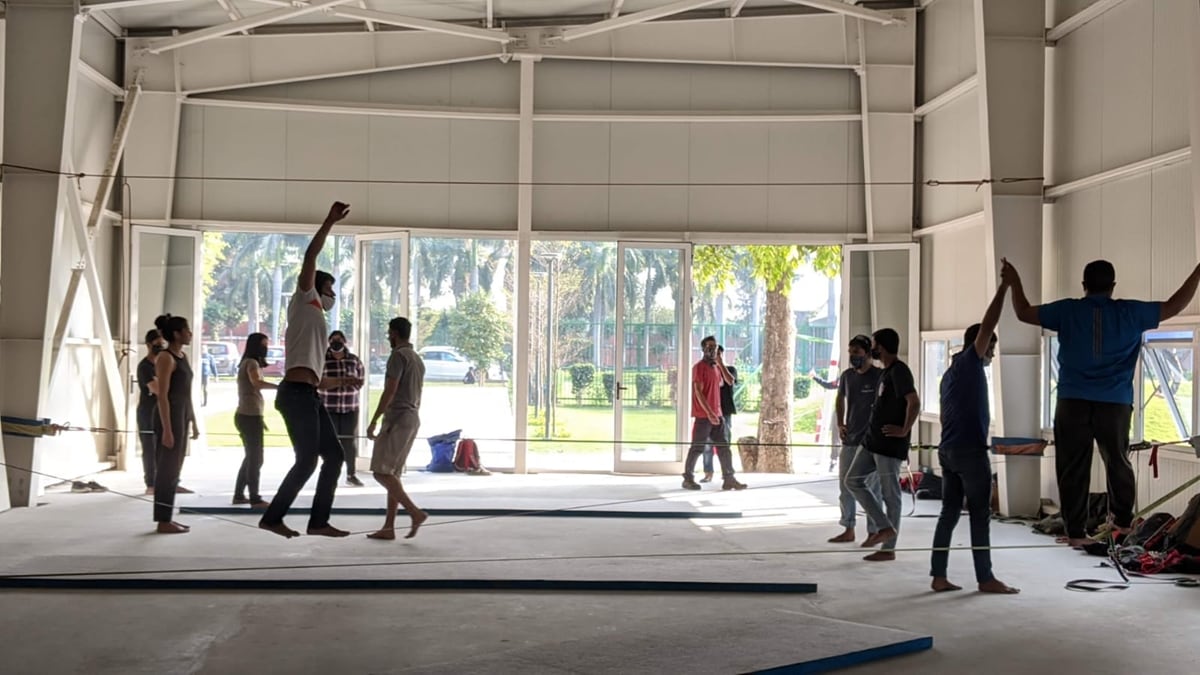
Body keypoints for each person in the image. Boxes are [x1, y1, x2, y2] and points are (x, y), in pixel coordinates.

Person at [1003, 257, 1200, 547]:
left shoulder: (1068, 310)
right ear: (1113, 286)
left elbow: (1022, 312)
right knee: (1118, 461)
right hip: (1114, 403)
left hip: (1073, 401)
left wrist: (1014, 281)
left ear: (1084, 286)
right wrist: (1197, 271)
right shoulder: (1130, 312)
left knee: (1072, 466)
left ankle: (1075, 533)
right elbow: (1174, 305)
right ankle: (1121, 522)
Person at [259, 201, 352, 539]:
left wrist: (345, 380)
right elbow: (310, 259)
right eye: (331, 288)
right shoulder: (304, 299)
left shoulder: (319, 321)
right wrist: (328, 221)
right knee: (307, 460)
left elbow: (318, 377)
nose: (333, 295)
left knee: (335, 456)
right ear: (318, 286)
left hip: (308, 394)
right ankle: (272, 517)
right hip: (295, 395)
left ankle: (318, 521)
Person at [930, 280, 1019, 594]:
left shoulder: (949, 375)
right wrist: (1004, 288)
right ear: (980, 346)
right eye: (990, 348)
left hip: (948, 450)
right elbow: (988, 323)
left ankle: (938, 576)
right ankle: (986, 579)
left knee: (949, 513)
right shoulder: (969, 364)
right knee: (980, 516)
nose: (991, 355)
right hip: (969, 453)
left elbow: (944, 416)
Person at [846, 328, 919, 561]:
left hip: (889, 444)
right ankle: (883, 525)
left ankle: (888, 547)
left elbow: (914, 402)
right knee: (852, 480)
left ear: (882, 348)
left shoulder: (899, 371)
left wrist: (904, 430)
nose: (872, 349)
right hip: (872, 441)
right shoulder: (886, 373)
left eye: (874, 345)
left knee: (891, 494)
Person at [365, 317, 428, 540]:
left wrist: (374, 419)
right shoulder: (416, 359)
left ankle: (414, 512)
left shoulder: (398, 356)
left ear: (394, 333)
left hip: (398, 419)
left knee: (381, 472)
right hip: (412, 417)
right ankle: (389, 527)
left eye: (389, 333)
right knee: (393, 474)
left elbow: (390, 391)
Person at [827, 335, 884, 544]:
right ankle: (848, 528)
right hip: (850, 440)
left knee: (872, 489)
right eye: (851, 352)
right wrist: (840, 423)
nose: (853, 356)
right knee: (846, 486)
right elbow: (840, 399)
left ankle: (874, 530)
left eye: (857, 352)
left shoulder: (879, 376)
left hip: (870, 443)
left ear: (868, 353)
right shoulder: (848, 376)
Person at [151, 314, 200, 534]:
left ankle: (167, 516)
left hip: (182, 416)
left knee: (175, 469)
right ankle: (163, 519)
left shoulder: (183, 357)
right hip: (168, 417)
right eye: (187, 329)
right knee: (166, 470)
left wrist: (194, 422)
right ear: (177, 334)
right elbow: (162, 395)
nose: (190, 333)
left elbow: (186, 394)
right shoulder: (166, 358)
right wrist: (167, 430)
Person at [682, 336, 746, 491]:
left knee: (724, 447)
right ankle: (688, 478)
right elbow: (698, 391)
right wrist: (709, 412)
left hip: (718, 415)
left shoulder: (717, 367)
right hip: (704, 416)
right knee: (697, 447)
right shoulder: (699, 367)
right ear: (703, 349)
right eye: (709, 347)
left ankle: (729, 478)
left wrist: (721, 363)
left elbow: (730, 381)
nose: (712, 349)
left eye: (715, 347)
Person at [234, 333, 276, 509]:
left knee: (251, 458)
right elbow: (257, 383)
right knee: (256, 459)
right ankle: (254, 498)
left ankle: (239, 495)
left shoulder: (250, 363)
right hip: (249, 416)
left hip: (250, 415)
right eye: (263, 345)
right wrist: (280, 386)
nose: (265, 348)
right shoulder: (251, 363)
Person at [320, 330, 366, 487]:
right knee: (330, 443)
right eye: (333, 340)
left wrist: (338, 382)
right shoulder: (322, 360)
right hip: (329, 407)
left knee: (349, 443)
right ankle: (330, 474)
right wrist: (344, 381)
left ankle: (351, 474)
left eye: (339, 340)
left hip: (350, 407)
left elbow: (360, 381)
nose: (335, 343)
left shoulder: (354, 360)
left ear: (345, 341)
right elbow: (320, 383)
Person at [700, 345, 737, 483]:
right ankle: (708, 472)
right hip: (709, 412)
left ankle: (727, 472)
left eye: (717, 354)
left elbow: (730, 381)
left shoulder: (730, 370)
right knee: (707, 444)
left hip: (725, 412)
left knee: (725, 443)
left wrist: (720, 364)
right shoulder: (704, 370)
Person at [136, 329, 165, 496]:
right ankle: (151, 483)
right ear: (148, 345)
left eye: (162, 345)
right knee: (150, 447)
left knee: (164, 447)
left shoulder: (162, 364)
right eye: (157, 345)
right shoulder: (145, 367)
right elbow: (157, 389)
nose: (160, 348)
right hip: (148, 412)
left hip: (162, 411)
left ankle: (169, 481)